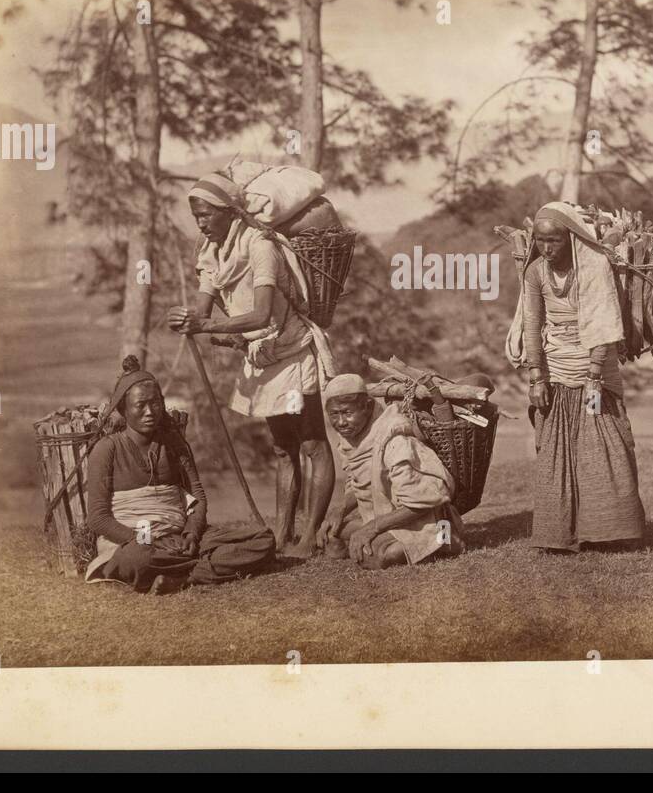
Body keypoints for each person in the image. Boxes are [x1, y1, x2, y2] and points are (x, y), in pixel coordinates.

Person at [166, 172, 336, 557]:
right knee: (282, 449)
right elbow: (203, 309)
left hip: (291, 352)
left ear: (230, 211)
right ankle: (281, 535)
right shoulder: (211, 253)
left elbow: (261, 315)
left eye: (207, 215)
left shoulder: (261, 247)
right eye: (196, 218)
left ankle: (308, 538)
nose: (201, 223)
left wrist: (205, 324)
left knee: (311, 443)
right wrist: (186, 318)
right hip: (261, 358)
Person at [507, 202, 645, 551]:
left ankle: (610, 531)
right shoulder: (535, 272)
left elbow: (603, 325)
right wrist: (537, 377)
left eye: (553, 240)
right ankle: (559, 533)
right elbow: (533, 325)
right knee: (555, 449)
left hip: (595, 366)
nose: (546, 248)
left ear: (571, 238)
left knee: (601, 445)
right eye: (540, 240)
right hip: (555, 365)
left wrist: (594, 376)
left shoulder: (595, 267)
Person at [85, 357, 276, 592]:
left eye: (155, 403)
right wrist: (146, 538)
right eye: (140, 405)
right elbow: (97, 517)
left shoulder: (174, 444)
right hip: (136, 541)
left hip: (178, 535)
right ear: (123, 410)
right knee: (136, 559)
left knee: (263, 540)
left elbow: (197, 496)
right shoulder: (107, 449)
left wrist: (191, 534)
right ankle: (196, 568)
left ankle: (182, 578)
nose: (149, 412)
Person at [316, 374, 464, 570]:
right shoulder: (351, 438)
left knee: (379, 556)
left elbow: (421, 503)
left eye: (347, 412)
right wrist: (340, 509)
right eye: (334, 414)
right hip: (382, 516)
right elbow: (360, 483)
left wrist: (372, 528)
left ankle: (445, 540)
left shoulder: (395, 440)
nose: (341, 422)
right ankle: (373, 540)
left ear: (367, 406)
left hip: (423, 520)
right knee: (330, 533)